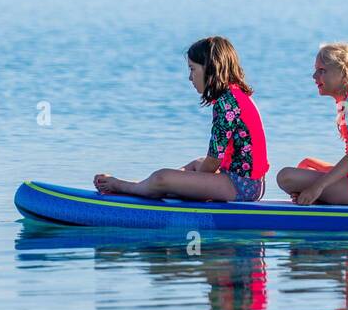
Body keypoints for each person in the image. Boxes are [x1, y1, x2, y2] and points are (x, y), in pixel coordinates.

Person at [94, 36, 268, 202]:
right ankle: (150, 187)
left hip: (240, 186)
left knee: (161, 177)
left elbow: (215, 159)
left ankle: (128, 186)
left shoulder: (227, 103)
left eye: (193, 69)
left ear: (210, 68)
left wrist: (188, 185)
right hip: (246, 182)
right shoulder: (234, 95)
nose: (190, 77)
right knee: (194, 165)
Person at [276, 42, 348, 206]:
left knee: (286, 177)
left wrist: (317, 187)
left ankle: (318, 196)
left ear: (344, 74)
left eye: (321, 71)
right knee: (306, 163)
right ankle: (320, 196)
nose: (314, 76)